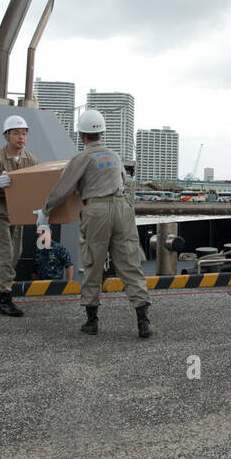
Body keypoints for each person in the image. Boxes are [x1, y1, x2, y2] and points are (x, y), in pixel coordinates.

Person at [38, 109, 151, 337]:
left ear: (82, 135)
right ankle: (143, 321)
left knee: (93, 263)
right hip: (122, 207)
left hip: (97, 209)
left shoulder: (81, 158)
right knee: (129, 262)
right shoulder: (115, 156)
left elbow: (63, 188)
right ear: (102, 133)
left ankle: (92, 321)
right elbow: (121, 180)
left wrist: (45, 211)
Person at [0, 114, 38, 316]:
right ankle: (5, 297)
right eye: (16, 133)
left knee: (16, 253)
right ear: (7, 136)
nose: (20, 137)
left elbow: (34, 186)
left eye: (23, 133)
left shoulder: (30, 159)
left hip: (17, 210)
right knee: (5, 252)